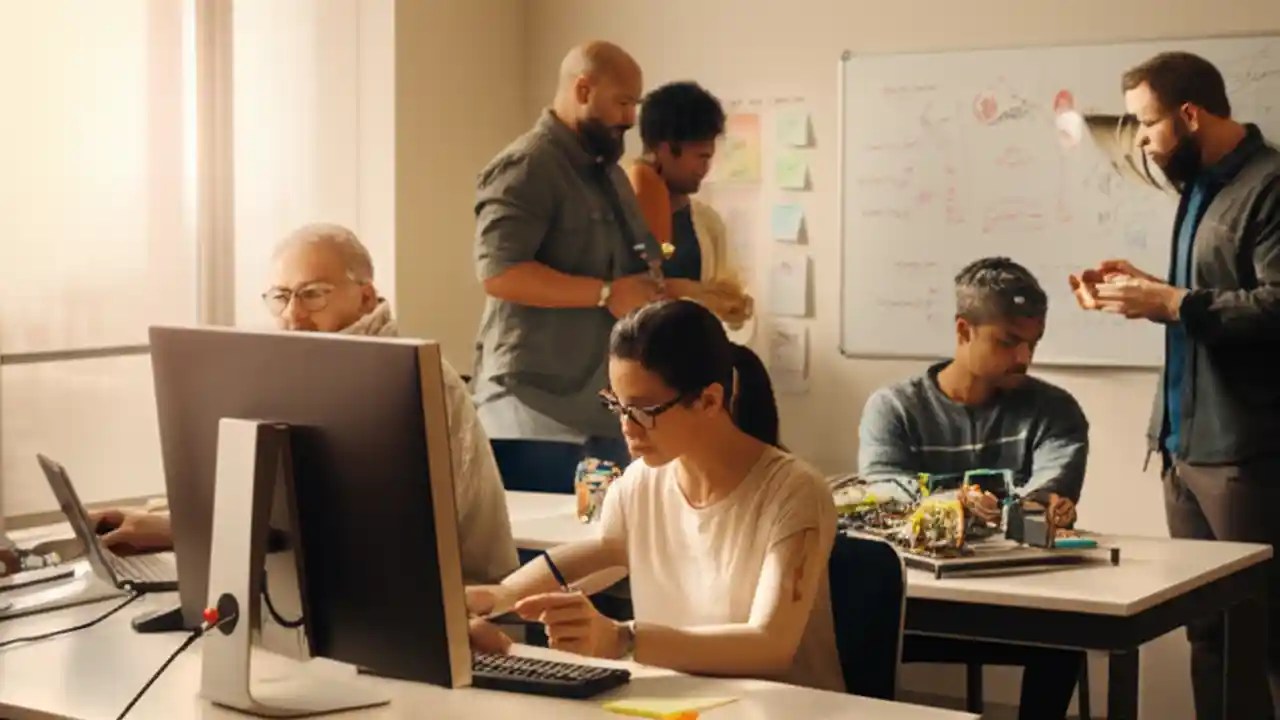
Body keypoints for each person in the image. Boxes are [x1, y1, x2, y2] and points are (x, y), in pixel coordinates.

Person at [90, 223, 519, 585]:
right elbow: (278, 500)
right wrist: (164, 517)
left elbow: (367, 533)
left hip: (458, 611)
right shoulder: (306, 368)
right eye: (281, 296)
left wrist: (180, 530)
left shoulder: (414, 380)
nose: (293, 315)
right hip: (341, 606)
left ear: (366, 298)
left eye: (313, 294)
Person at [466, 299, 844, 691]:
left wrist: (623, 639)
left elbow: (770, 646)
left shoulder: (793, 492)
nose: (627, 427)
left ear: (709, 401)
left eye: (644, 410)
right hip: (678, 702)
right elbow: (604, 551)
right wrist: (501, 596)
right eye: (617, 405)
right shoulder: (641, 483)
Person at [1070, 51, 1280, 720]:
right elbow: (1207, 292)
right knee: (1207, 634)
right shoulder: (1194, 185)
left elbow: (1276, 305)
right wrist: (1145, 285)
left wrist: (1173, 303)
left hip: (1246, 456)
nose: (1141, 142)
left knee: (1259, 637)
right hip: (1181, 448)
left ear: (1190, 115)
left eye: (1147, 123)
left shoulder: (1271, 186)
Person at [860, 257, 1088, 720]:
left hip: (1023, 599)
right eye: (1009, 342)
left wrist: (998, 509)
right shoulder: (894, 408)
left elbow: (1048, 493)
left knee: (1070, 631)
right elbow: (881, 493)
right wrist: (955, 504)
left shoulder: (1056, 411)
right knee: (853, 619)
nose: (1024, 358)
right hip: (917, 602)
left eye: (1033, 343)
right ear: (964, 330)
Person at [472, 41, 664, 492]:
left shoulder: (608, 172)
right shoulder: (527, 165)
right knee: (545, 549)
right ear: (582, 90)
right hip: (536, 410)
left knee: (599, 551)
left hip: (596, 407)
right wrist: (605, 294)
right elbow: (499, 273)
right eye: (622, 102)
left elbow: (632, 272)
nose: (630, 117)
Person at [625, 81, 753, 329]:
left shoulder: (708, 223)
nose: (706, 169)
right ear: (665, 149)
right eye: (701, 157)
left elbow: (734, 306)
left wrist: (700, 295)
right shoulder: (613, 211)